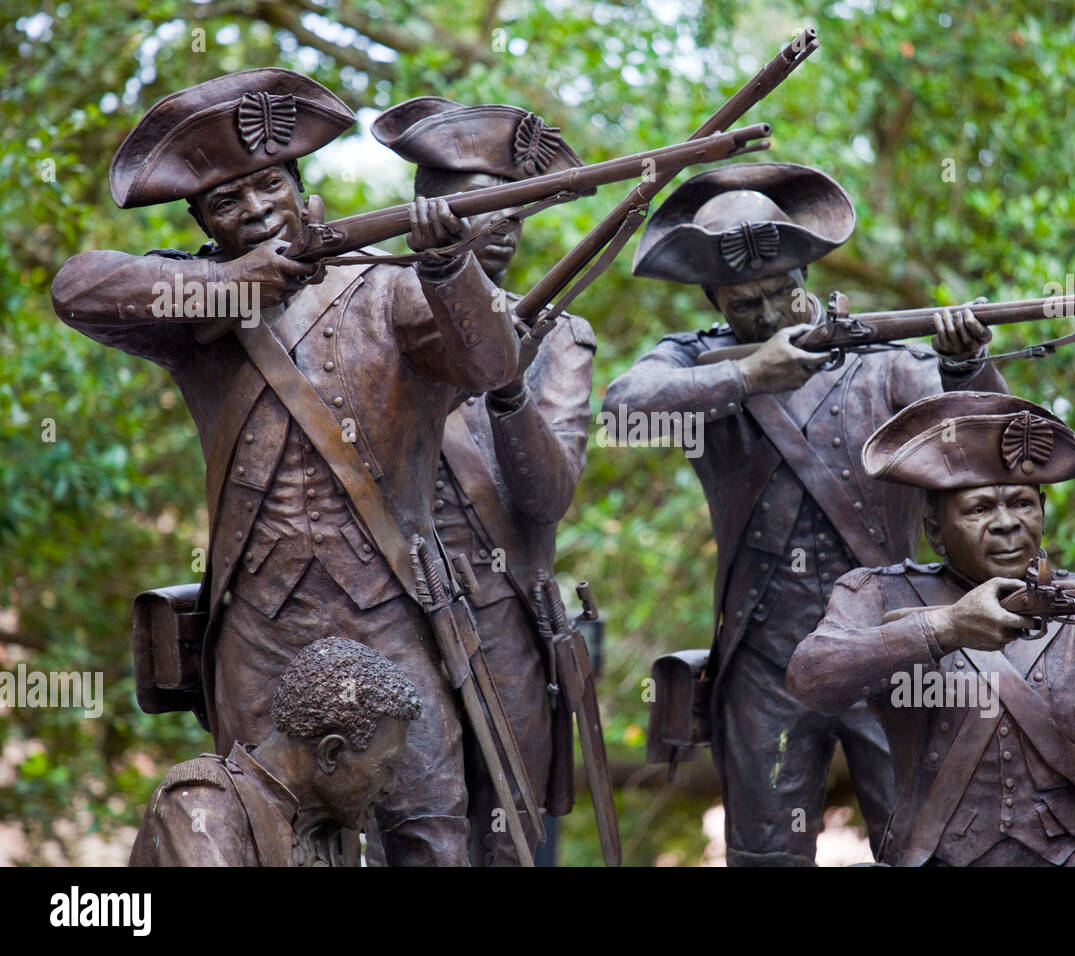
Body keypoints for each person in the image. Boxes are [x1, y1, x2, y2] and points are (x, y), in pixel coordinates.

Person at [51, 69, 518, 866]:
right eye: (226, 203)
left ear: (304, 186)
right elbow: (77, 287)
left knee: (428, 829)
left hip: (393, 614)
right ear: (200, 220)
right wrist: (228, 285)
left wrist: (448, 271)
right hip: (258, 632)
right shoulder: (198, 300)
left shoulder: (385, 289)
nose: (257, 210)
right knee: (268, 835)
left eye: (269, 183)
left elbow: (490, 365)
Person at [603, 163, 1006, 865]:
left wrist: (967, 365)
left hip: (893, 643)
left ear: (805, 282)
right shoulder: (698, 364)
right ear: (713, 299)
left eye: (777, 297)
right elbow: (622, 409)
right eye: (741, 305)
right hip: (766, 659)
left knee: (925, 845)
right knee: (766, 853)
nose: (762, 317)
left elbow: (988, 445)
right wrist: (748, 373)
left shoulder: (884, 363)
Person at [787, 391, 1075, 866]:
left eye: (1022, 503)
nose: (1007, 524)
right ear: (935, 531)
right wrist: (945, 627)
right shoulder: (880, 594)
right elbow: (809, 679)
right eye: (980, 508)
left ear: (1043, 509)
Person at [372, 97, 597, 864]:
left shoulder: (559, 335)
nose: (504, 225)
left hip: (506, 624)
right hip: (386, 615)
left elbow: (547, 496)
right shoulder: (369, 314)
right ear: (426, 211)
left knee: (507, 839)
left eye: (516, 211)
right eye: (482, 205)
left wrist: (509, 385)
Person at [131, 638, 420, 867]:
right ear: (331, 753)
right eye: (386, 768)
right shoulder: (202, 799)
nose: (390, 788)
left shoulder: (330, 831)